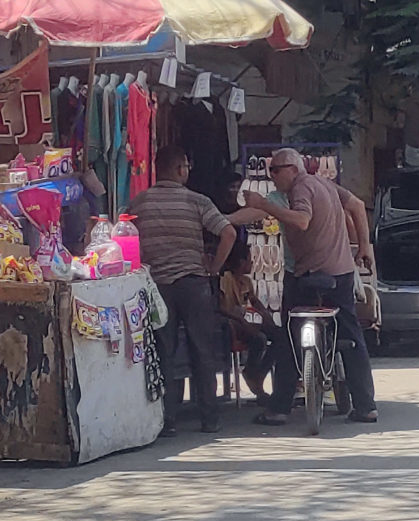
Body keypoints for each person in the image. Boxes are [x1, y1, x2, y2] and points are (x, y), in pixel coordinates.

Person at [235, 147, 378, 424]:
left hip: (307, 275)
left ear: (292, 168)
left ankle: (279, 408)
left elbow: (301, 220)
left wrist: (264, 205)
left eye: (275, 171)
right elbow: (358, 206)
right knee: (351, 337)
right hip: (340, 274)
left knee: (289, 336)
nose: (272, 176)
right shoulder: (326, 184)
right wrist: (364, 246)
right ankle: (366, 406)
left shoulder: (300, 189)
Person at [126, 147, 235, 434]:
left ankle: (167, 419)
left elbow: (122, 238)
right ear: (178, 170)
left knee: (164, 351)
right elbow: (228, 232)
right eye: (186, 165)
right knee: (203, 350)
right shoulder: (197, 201)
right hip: (194, 283)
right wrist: (214, 266)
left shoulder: (138, 204)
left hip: (158, 286)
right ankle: (209, 418)